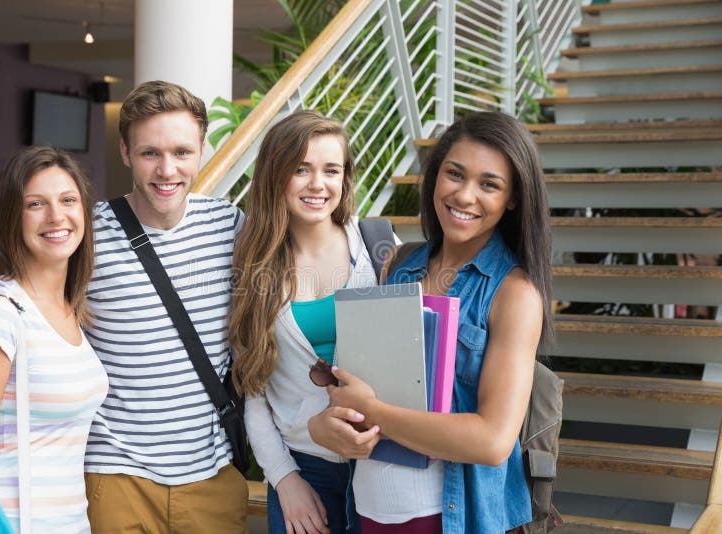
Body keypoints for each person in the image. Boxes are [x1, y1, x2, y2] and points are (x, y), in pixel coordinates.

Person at [308, 111, 553, 533]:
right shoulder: (399, 264)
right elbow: (368, 389)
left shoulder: (514, 293)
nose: (465, 195)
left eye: (489, 184)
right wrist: (324, 423)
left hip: (448, 517)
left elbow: (493, 441)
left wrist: (372, 410)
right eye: (454, 174)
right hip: (370, 508)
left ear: (513, 198)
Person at [83, 80, 248, 533]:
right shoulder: (86, 234)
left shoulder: (229, 225)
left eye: (181, 152)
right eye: (149, 153)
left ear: (202, 150)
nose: (166, 169)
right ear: (125, 152)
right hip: (116, 474)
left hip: (212, 474)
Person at [229, 110, 382, 534]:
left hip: (382, 465)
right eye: (301, 169)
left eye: (331, 170)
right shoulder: (252, 268)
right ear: (275, 175)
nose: (318, 184)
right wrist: (284, 478)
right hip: (304, 471)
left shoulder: (377, 251)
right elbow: (254, 392)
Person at [0, 145, 108, 532]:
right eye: (36, 204)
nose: (56, 216)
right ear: (12, 218)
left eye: (68, 200)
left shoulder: (69, 310)